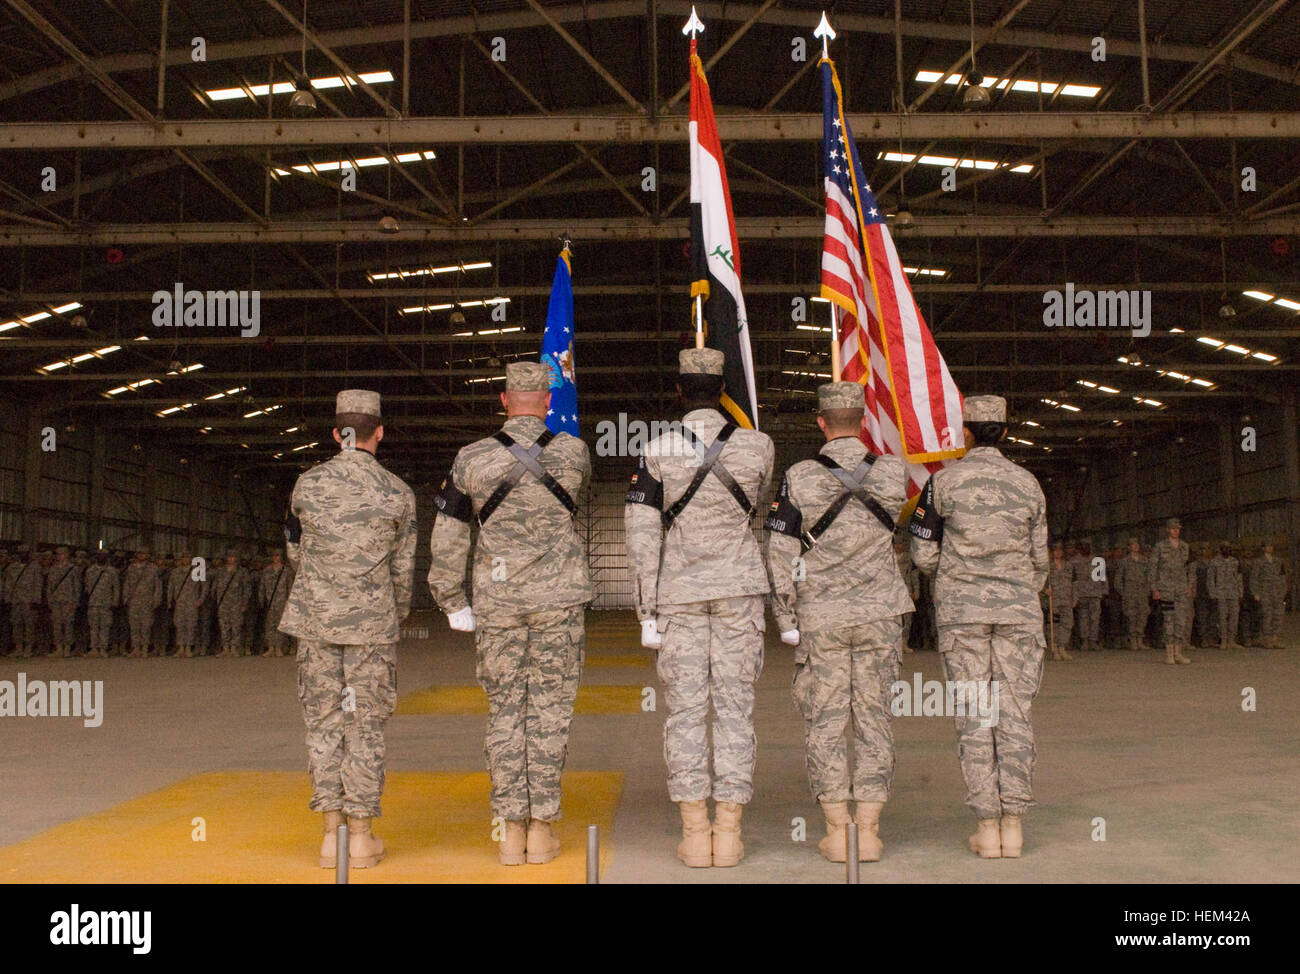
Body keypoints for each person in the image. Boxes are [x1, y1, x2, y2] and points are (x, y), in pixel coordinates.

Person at [428, 361, 594, 866]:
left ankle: (509, 831)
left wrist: (451, 599)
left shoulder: (470, 459)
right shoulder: (573, 453)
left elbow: (450, 534)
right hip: (558, 601)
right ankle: (541, 829)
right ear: (547, 401)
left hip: (498, 602)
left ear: (503, 400)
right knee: (549, 711)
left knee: (504, 712)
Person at [624, 347, 774, 868]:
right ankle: (729, 834)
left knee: (686, 712)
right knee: (735, 710)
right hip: (739, 590)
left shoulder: (657, 449)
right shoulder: (759, 447)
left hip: (680, 594)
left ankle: (694, 833)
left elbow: (642, 532)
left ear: (679, 392)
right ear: (724, 390)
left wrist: (646, 607)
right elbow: (758, 504)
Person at [764, 381, 911, 863]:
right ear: (863, 421)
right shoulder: (893, 472)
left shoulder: (800, 475)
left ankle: (836, 829)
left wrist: (785, 616)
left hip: (822, 616)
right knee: (874, 718)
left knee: (825, 721)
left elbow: (781, 549)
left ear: (821, 423)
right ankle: (868, 831)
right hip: (880, 613)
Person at [280, 389, 416, 870]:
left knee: (322, 721)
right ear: (379, 431)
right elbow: (403, 570)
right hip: (372, 623)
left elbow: (296, 552)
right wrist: (390, 612)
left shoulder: (306, 486)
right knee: (366, 724)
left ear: (337, 433)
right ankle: (361, 837)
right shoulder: (398, 492)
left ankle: (328, 835)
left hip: (316, 618)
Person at [909, 395, 1048, 859]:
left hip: (963, 613)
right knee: (1015, 713)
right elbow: (1041, 562)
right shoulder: (1029, 484)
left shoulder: (942, 483)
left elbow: (923, 554)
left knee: (975, 714)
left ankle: (987, 828)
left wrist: (958, 577)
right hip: (1018, 612)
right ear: (1005, 432)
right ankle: (1015, 825)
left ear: (966, 432)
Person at [1150, 518, 1192, 665]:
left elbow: (1188, 568)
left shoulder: (1184, 547)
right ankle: (1169, 654)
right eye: (1173, 529)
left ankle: (1178, 653)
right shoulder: (1160, 547)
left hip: (1181, 588)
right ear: (1167, 530)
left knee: (1181, 620)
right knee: (1169, 621)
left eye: (1178, 529)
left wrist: (1189, 586)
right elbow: (1153, 568)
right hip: (1166, 589)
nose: (1176, 531)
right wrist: (1154, 588)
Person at [4, 546, 43, 659]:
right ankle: (19, 647)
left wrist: (36, 599)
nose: (22, 555)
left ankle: (29, 647)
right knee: (17, 624)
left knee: (29, 625)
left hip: (29, 600)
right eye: (20, 553)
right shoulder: (12, 567)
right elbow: (9, 585)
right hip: (16, 600)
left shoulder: (35, 567)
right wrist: (8, 599)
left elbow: (38, 584)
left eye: (25, 553)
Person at [210, 553, 250, 658]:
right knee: (224, 626)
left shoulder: (242, 572)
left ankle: (234, 648)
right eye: (229, 556)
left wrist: (244, 603)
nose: (231, 559)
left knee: (236, 626)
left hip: (236, 603)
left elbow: (247, 588)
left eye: (233, 557)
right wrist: (215, 600)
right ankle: (225, 648)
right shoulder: (220, 571)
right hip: (223, 603)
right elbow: (214, 587)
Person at [1113, 538, 1151, 650]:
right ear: (1129, 547)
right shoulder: (1124, 562)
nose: (1135, 546)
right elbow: (1118, 579)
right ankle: (1133, 640)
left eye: (1136, 544)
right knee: (1131, 617)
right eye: (1132, 545)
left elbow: (1148, 576)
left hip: (1142, 593)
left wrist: (1148, 589)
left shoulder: (1145, 561)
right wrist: (1123, 592)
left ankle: (1140, 640)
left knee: (1143, 615)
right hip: (1130, 593)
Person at [122, 550, 161, 658]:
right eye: (139, 553)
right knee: (134, 626)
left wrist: (157, 599)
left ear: (148, 555)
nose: (141, 555)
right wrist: (125, 597)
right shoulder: (131, 568)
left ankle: (144, 648)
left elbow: (157, 585)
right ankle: (135, 648)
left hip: (147, 600)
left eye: (144, 553)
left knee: (146, 625)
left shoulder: (153, 568)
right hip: (134, 600)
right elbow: (127, 583)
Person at [1249, 543, 1288, 648]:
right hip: (1265, 592)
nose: (1270, 548)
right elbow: (1254, 578)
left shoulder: (1279, 561)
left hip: (1278, 593)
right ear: (1263, 548)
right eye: (1267, 546)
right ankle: (1267, 639)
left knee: (1278, 616)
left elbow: (1283, 577)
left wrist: (1284, 591)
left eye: (1272, 545)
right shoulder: (1258, 562)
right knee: (1267, 616)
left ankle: (1275, 638)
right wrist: (1255, 593)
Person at [169, 554, 208, 658]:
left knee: (191, 625)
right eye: (183, 557)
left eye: (187, 557)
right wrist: (170, 600)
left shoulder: (198, 571)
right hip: (180, 602)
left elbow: (204, 587)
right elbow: (171, 587)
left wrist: (200, 600)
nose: (185, 559)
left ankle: (188, 648)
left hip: (192, 602)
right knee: (179, 624)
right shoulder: (175, 571)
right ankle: (181, 647)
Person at [83, 553, 120, 658]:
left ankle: (103, 648)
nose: (101, 558)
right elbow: (87, 586)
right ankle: (94, 648)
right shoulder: (90, 570)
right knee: (93, 627)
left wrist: (115, 602)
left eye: (103, 556)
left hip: (106, 603)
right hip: (93, 603)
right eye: (99, 556)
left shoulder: (112, 571)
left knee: (105, 627)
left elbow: (116, 587)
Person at [259, 551, 296, 657]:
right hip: (269, 602)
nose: (275, 557)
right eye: (274, 555)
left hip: (282, 602)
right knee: (269, 625)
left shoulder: (286, 571)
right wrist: (261, 600)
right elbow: (262, 587)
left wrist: (290, 602)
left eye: (277, 555)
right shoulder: (266, 571)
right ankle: (271, 647)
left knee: (280, 625)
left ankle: (279, 647)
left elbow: (290, 587)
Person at [1208, 543, 1243, 651]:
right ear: (1221, 549)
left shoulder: (1235, 562)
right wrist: (1212, 593)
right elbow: (1210, 579)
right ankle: (1223, 640)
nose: (1227, 550)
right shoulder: (1214, 562)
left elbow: (1239, 578)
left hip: (1233, 593)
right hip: (1221, 593)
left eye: (1229, 548)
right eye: (1224, 548)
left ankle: (1231, 640)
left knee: (1234, 617)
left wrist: (1240, 592)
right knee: (1222, 618)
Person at [1044, 542, 1075, 661]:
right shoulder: (1048, 567)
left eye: (1060, 550)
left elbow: (1074, 583)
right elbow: (1039, 580)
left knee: (1067, 623)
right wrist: (1044, 589)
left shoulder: (1068, 566)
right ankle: (1055, 648)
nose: (1058, 552)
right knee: (1054, 625)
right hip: (1054, 600)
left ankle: (1062, 647)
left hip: (1066, 599)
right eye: (1056, 550)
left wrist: (1074, 598)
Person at [894, 539, 920, 655]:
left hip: (907, 591)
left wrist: (916, 590)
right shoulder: (887, 556)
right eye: (899, 543)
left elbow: (914, 575)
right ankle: (895, 644)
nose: (901, 545)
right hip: (892, 592)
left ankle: (904, 643)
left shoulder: (909, 559)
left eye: (902, 543)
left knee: (907, 618)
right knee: (894, 619)